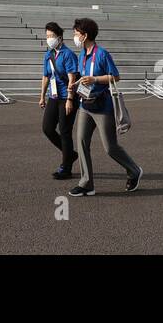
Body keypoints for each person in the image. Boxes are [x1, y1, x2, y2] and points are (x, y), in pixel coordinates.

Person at [67, 18, 143, 196]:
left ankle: (134, 170)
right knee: (82, 142)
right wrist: (76, 84)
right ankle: (86, 184)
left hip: (102, 106)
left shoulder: (101, 54)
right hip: (85, 105)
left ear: (85, 35)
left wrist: (95, 80)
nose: (75, 37)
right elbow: (85, 76)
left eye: (76, 34)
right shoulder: (82, 55)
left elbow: (115, 77)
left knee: (110, 147)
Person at [38, 22, 80, 180]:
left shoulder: (68, 54)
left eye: (51, 36)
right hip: (54, 97)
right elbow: (46, 76)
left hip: (66, 97)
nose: (49, 39)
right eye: (47, 36)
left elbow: (72, 78)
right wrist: (42, 96)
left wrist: (70, 99)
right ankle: (70, 154)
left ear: (60, 38)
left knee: (65, 131)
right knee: (47, 128)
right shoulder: (48, 55)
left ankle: (66, 168)